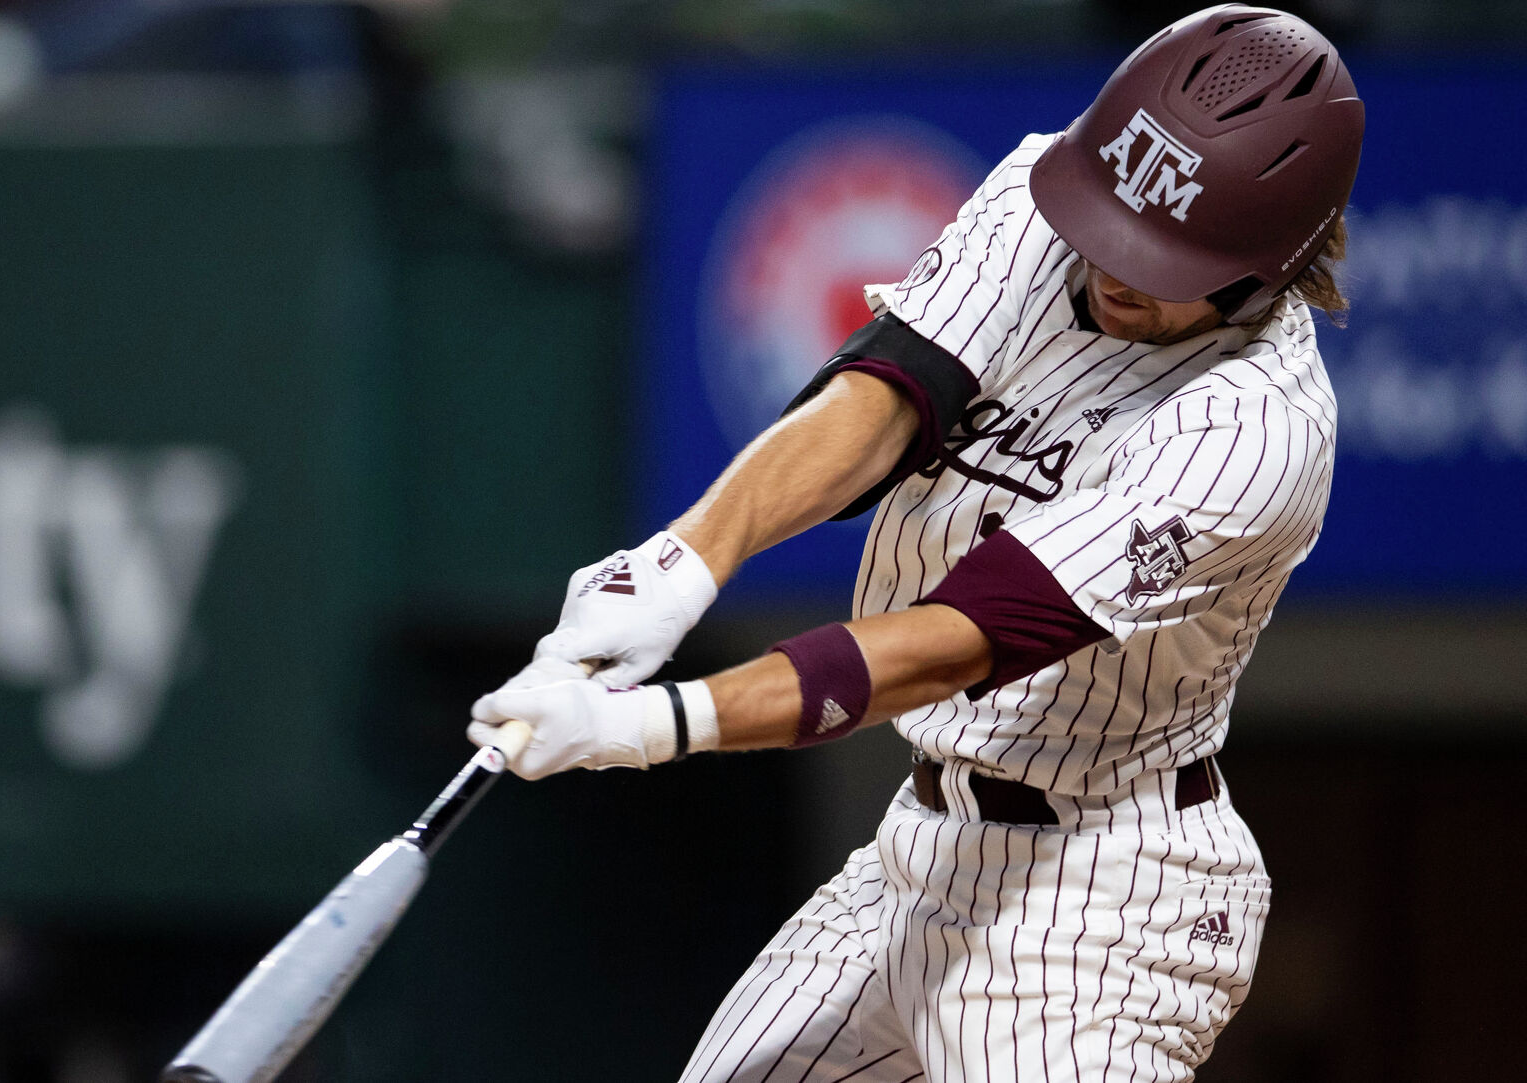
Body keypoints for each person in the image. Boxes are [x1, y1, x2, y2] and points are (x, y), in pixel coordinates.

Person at [465, 6, 1362, 1081]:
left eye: (1161, 254)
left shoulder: (1253, 426)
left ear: (1268, 262)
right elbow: (887, 396)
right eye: (1107, 219)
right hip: (917, 849)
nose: (1116, 263)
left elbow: (951, 641)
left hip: (1100, 895)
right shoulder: (1041, 194)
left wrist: (656, 723)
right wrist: (681, 560)